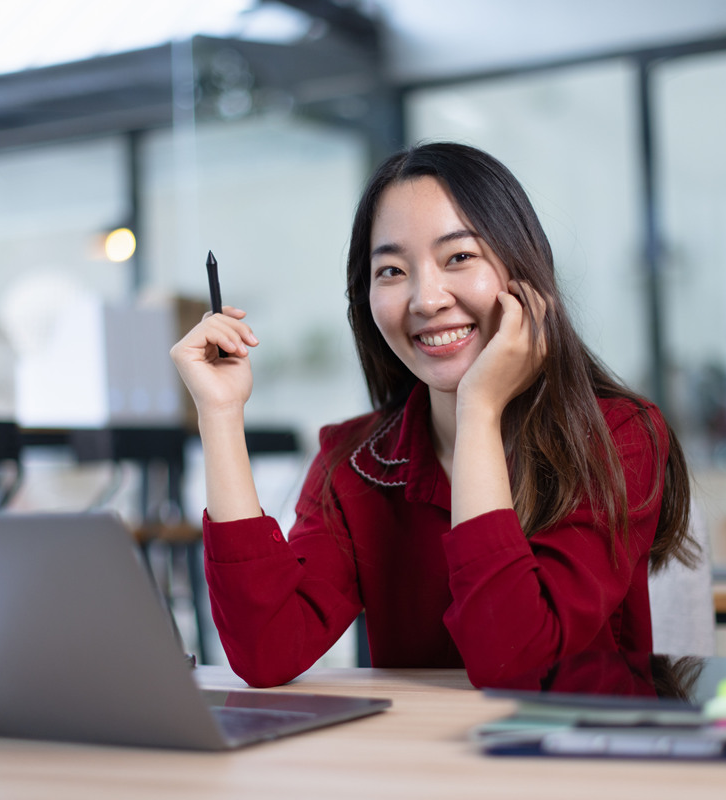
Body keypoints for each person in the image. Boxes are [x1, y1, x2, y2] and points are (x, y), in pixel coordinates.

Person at [170, 142, 698, 689]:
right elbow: (265, 649)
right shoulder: (358, 461)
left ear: (525, 272)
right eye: (392, 270)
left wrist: (479, 408)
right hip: (418, 767)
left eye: (459, 257)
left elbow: (513, 666)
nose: (426, 298)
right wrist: (220, 412)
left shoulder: (617, 437)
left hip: (577, 765)